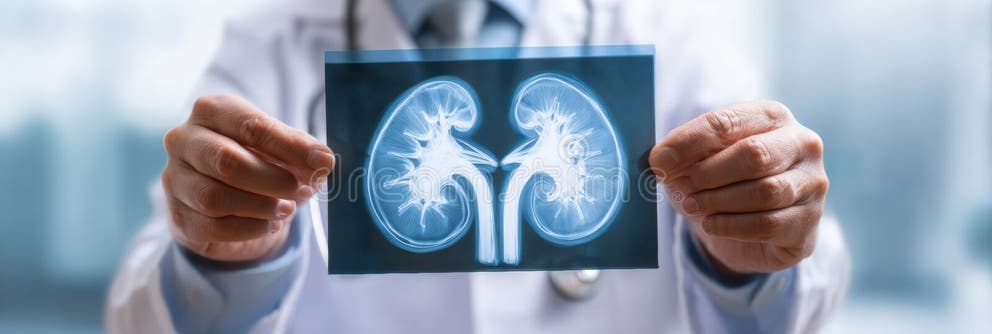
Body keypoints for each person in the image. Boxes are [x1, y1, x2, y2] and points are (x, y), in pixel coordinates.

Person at [105, 0, 849, 332]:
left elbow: (797, 271)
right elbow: (140, 306)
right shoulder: (269, 39)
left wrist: (753, 250)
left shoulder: (671, 28)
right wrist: (226, 263)